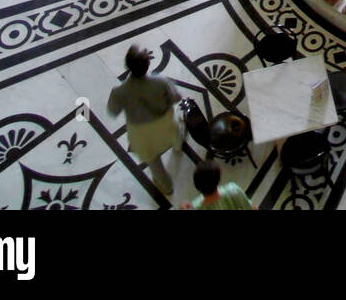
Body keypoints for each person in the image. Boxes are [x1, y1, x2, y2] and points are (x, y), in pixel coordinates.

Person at [107, 44, 180, 196]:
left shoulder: (119, 91)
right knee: (175, 132)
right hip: (164, 123)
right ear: (148, 64)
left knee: (153, 162)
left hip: (141, 134)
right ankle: (178, 146)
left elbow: (112, 111)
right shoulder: (161, 81)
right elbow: (176, 97)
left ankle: (167, 187)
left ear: (128, 66)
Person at [183, 161, 254, 210]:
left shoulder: (195, 206)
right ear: (218, 180)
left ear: (197, 186)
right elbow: (248, 207)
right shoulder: (233, 189)